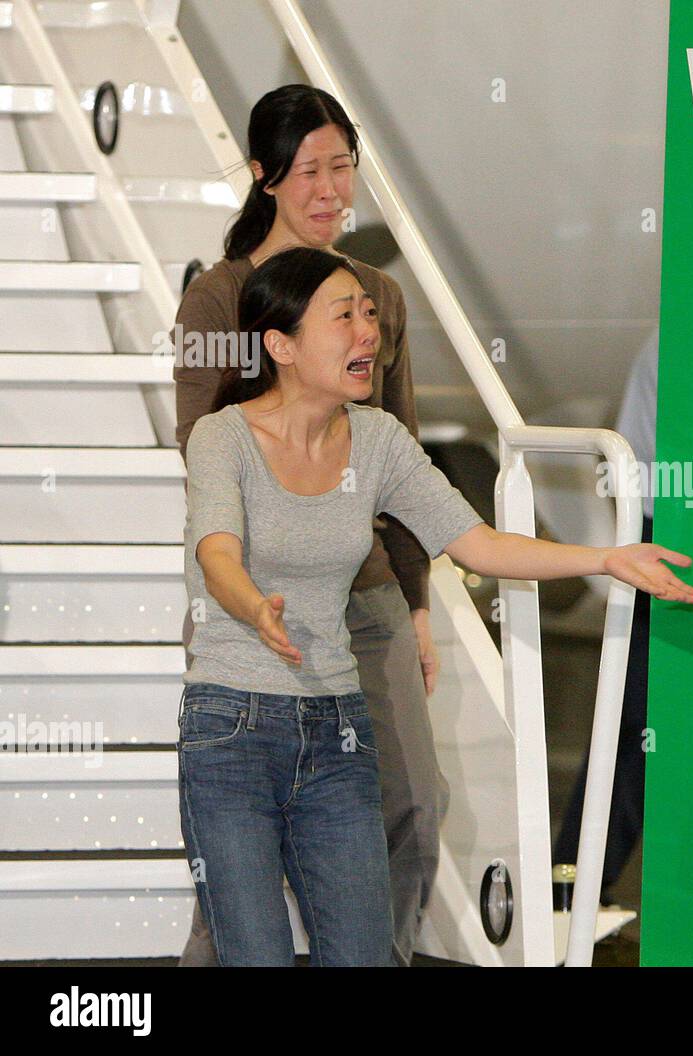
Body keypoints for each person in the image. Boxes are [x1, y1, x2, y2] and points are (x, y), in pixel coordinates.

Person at [181, 247, 693, 965]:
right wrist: (252, 606)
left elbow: (480, 544)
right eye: (345, 317)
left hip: (338, 733)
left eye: (370, 313)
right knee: (256, 955)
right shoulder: (224, 437)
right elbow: (216, 553)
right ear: (281, 345)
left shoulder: (379, 440)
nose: (369, 332)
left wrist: (605, 558)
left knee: (362, 952)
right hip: (231, 729)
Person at [173, 85, 444, 965]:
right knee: (238, 868)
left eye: (345, 169)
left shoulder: (378, 298)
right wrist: (250, 595)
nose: (333, 190)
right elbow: (206, 453)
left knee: (411, 805)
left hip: (362, 592)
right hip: (253, 602)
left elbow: (402, 464)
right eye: (312, 170)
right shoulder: (218, 302)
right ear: (264, 176)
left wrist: (417, 603)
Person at [553, 329, 657, 898]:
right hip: (667, 532)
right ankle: (571, 893)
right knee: (634, 724)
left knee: (633, 728)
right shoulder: (674, 342)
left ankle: (572, 890)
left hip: (663, 526)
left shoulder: (664, 339)